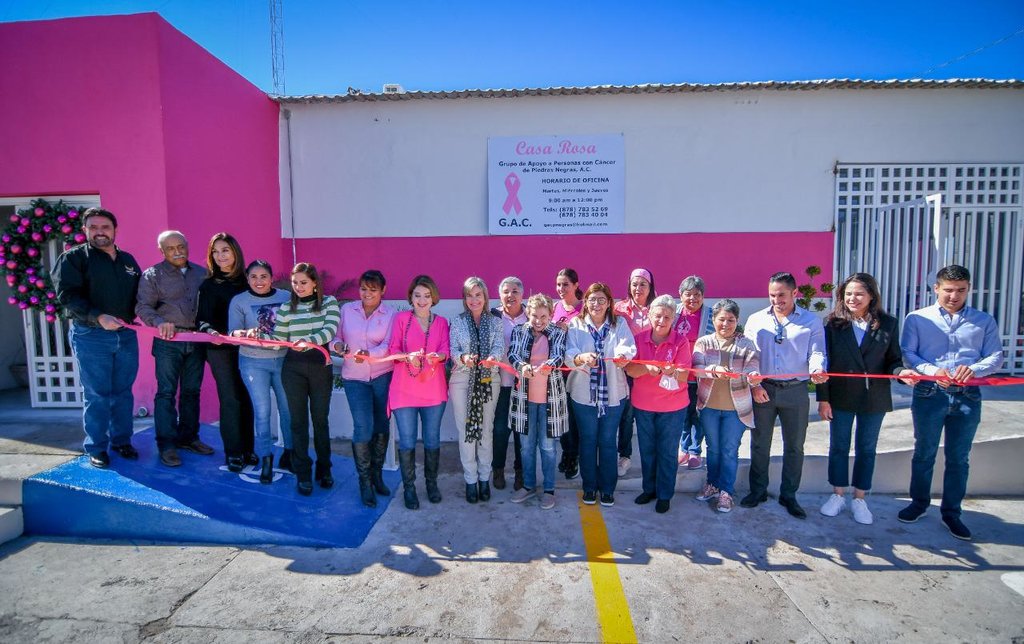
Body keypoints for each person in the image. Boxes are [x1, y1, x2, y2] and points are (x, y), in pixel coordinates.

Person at [897, 265, 1003, 540]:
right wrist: (933, 372)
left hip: (968, 395)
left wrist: (975, 370)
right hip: (930, 394)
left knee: (959, 457)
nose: (954, 296)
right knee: (924, 452)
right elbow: (908, 353)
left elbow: (995, 357)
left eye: (961, 290)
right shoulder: (918, 319)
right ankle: (918, 503)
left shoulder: (983, 321)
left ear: (968, 289)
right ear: (936, 289)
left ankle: (952, 513)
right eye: (948, 290)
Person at [52, 208, 142, 469]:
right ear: (85, 230)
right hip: (91, 336)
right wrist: (98, 316)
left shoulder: (127, 260)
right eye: (93, 227)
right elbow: (67, 295)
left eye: (105, 227)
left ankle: (122, 441)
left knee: (123, 393)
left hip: (126, 336)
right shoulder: (73, 259)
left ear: (114, 230)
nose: (100, 231)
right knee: (97, 394)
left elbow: (141, 295)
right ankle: (97, 447)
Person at [817, 273, 905, 525]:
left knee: (867, 448)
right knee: (839, 446)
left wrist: (901, 373)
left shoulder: (887, 323)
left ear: (871, 296)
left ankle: (859, 498)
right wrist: (824, 399)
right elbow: (825, 364)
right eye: (848, 294)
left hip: (873, 397)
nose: (853, 299)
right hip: (841, 394)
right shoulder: (833, 324)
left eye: (859, 294)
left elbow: (894, 361)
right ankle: (837, 494)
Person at [742, 272, 827, 519]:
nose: (776, 300)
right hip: (763, 390)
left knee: (795, 446)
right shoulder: (756, 320)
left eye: (781, 295)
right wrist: (754, 385)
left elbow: (817, 353)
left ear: (794, 293)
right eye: (771, 295)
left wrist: (817, 370)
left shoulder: (811, 321)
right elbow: (749, 357)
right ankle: (757, 491)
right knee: (759, 444)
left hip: (796, 391)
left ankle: (789, 495)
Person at [136, 230, 214, 467]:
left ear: (187, 245)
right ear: (162, 251)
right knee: (166, 393)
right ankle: (167, 445)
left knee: (192, 392)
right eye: (171, 248)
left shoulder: (202, 274)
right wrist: (160, 322)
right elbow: (143, 307)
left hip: (196, 340)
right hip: (168, 342)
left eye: (181, 246)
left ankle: (189, 438)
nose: (177, 251)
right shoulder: (152, 276)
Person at [271, 263, 340, 496]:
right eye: (295, 283)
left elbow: (330, 330)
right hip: (293, 368)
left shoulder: (329, 302)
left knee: (320, 420)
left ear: (314, 283)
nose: (298, 287)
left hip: (320, 366)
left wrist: (309, 341)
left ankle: (324, 469)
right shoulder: (285, 308)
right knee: (297, 422)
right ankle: (303, 473)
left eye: (303, 282)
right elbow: (279, 339)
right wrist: (259, 336)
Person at [565, 282, 637, 506]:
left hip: (613, 394)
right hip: (583, 395)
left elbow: (629, 346)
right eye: (592, 299)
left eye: (601, 300)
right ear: (585, 302)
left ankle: (607, 489)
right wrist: (580, 357)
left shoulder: (620, 324)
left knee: (607, 441)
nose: (596, 304)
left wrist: (623, 354)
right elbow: (569, 352)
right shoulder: (575, 324)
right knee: (587, 440)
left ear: (609, 304)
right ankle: (589, 487)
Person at [330, 270, 396, 507]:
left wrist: (370, 354)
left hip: (381, 375)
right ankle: (364, 482)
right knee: (363, 427)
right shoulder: (347, 310)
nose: (367, 294)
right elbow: (334, 337)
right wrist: (337, 345)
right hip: (354, 378)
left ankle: (377, 475)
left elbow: (390, 345)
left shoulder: (390, 314)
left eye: (373, 289)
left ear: (383, 291)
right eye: (364, 289)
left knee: (381, 425)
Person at [692, 299, 760, 513]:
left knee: (730, 450)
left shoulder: (746, 344)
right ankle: (712, 484)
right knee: (712, 449)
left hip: (736, 409)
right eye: (721, 319)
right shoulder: (703, 342)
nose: (726, 324)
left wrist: (754, 377)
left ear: (737, 321)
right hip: (709, 406)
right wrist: (713, 370)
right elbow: (697, 369)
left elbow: (752, 369)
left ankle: (726, 492)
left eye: (731, 320)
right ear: (714, 320)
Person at [625, 295, 691, 514]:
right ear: (650, 316)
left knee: (667, 452)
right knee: (647, 450)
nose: (661, 320)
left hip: (673, 408)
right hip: (643, 405)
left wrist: (674, 369)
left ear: (673, 318)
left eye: (667, 316)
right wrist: (646, 367)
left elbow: (684, 375)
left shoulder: (680, 341)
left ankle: (665, 494)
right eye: (657, 315)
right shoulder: (638, 339)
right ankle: (649, 489)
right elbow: (630, 370)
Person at [228, 259, 293, 484]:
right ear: (247, 279)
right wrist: (247, 333)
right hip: (253, 362)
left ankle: (290, 453)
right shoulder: (239, 301)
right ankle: (266, 458)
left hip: (284, 362)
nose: (259, 281)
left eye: (263, 276)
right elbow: (232, 334)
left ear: (271, 278)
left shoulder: (285, 297)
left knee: (288, 409)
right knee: (263, 411)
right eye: (254, 277)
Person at [389, 275, 450, 509]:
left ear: (433, 297)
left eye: (426, 295)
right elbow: (393, 349)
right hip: (404, 389)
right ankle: (410, 489)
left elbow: (446, 348)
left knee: (432, 439)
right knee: (407, 441)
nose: (422, 300)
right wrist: (407, 357)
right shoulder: (401, 319)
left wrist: (441, 356)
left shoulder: (442, 322)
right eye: (417, 295)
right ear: (411, 297)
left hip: (433, 391)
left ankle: (431, 484)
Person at [196, 233, 255, 473]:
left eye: (225, 250)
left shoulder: (247, 281)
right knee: (230, 399)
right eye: (215, 252)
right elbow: (201, 319)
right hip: (219, 349)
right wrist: (212, 332)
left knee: (247, 398)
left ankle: (249, 449)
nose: (220, 256)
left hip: (248, 349)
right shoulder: (208, 285)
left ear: (235, 252)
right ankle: (233, 453)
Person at [508, 294, 569, 509]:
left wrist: (549, 365)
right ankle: (528, 485)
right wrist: (522, 366)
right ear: (528, 314)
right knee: (525, 446)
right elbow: (513, 354)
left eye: (544, 316)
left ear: (551, 315)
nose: (539, 320)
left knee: (548, 446)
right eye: (535, 316)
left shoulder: (558, 333)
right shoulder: (518, 331)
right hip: (524, 399)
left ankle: (549, 489)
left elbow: (560, 355)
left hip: (550, 400)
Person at [448, 277, 503, 504]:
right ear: (464, 298)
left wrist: (493, 358)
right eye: (469, 295)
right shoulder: (457, 321)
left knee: (485, 431)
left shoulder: (495, 322)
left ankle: (483, 478)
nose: (474, 299)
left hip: (489, 380)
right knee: (467, 431)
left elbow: (499, 346)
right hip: (462, 380)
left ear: (485, 297)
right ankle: (470, 481)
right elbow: (453, 349)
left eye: (478, 295)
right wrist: (462, 358)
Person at [612, 268, 655, 478]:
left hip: (650, 371)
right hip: (626, 370)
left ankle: (654, 454)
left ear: (650, 287)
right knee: (626, 415)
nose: (638, 288)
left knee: (648, 415)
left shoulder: (656, 309)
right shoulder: (619, 308)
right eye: (634, 284)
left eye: (643, 285)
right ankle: (624, 455)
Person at [490, 276, 527, 490]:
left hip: (524, 386)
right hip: (500, 384)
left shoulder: (530, 317)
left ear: (522, 295)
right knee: (500, 431)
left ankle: (521, 473)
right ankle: (498, 470)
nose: (510, 295)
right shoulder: (493, 316)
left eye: (514, 291)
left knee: (522, 433)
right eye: (505, 291)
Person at [674, 275, 715, 469]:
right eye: (688, 294)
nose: (692, 299)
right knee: (682, 414)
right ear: (680, 295)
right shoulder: (673, 313)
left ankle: (695, 451)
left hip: (700, 376)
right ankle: (683, 448)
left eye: (697, 295)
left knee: (698, 414)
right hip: (678, 375)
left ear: (703, 296)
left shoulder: (711, 314)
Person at [553, 268, 582, 480]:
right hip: (558, 372)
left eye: (565, 284)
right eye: (558, 285)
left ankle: (576, 456)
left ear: (576, 285)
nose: (561, 289)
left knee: (575, 417)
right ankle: (568, 453)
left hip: (578, 372)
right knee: (562, 417)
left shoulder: (583, 310)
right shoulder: (554, 307)